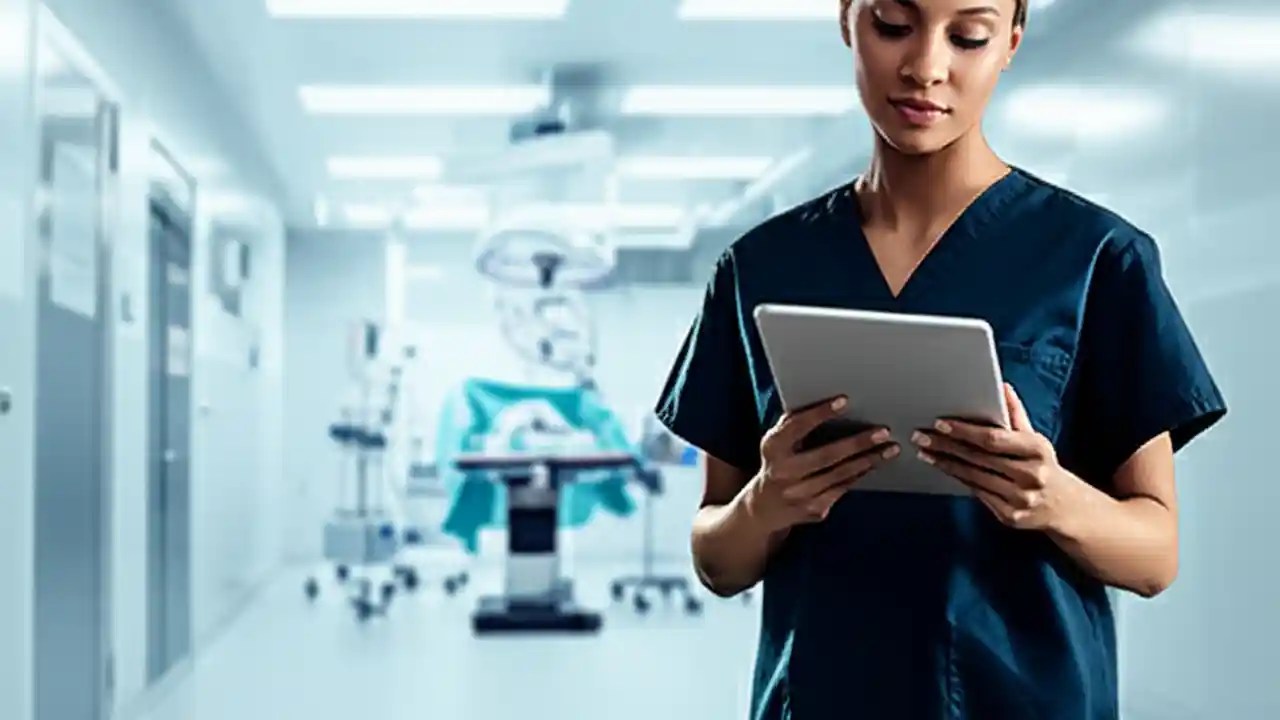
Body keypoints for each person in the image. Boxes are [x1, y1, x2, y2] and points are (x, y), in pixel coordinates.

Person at [653, 1, 1227, 718]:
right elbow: (716, 559)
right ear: (847, 19)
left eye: (969, 37)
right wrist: (765, 504)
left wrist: (1053, 499)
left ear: (1011, 41)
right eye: (893, 26)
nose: (926, 67)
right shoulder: (760, 269)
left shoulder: (1097, 261)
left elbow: (1155, 556)